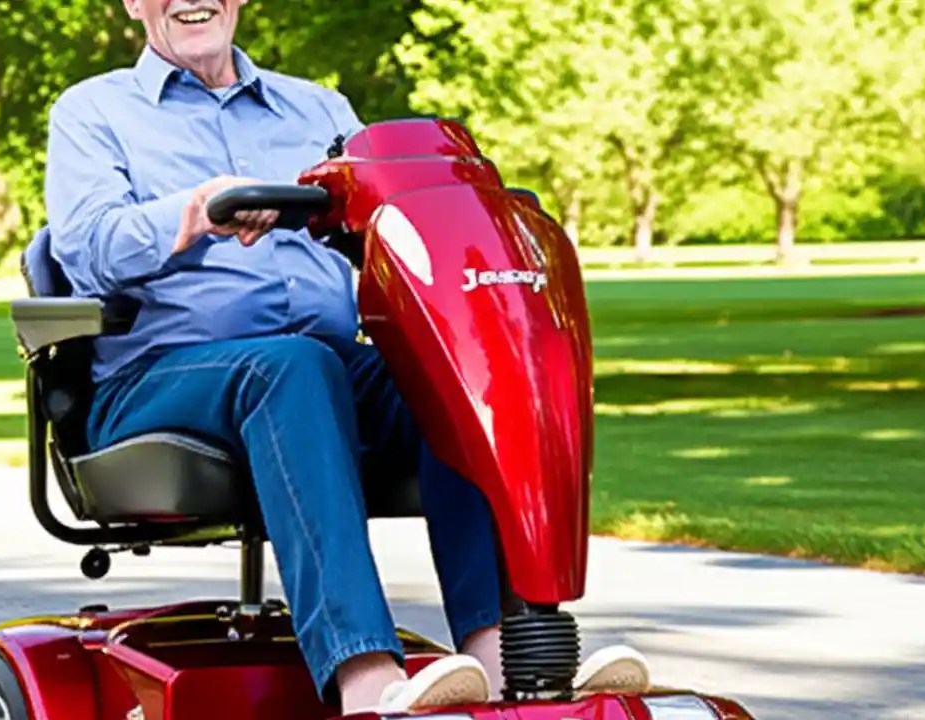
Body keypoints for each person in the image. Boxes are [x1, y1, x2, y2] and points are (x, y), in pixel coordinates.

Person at [44, 0, 651, 713]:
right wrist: (197, 211)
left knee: (455, 374)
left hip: (322, 366)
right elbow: (85, 251)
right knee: (292, 368)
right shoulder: (93, 111)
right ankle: (365, 677)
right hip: (160, 377)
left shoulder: (318, 109)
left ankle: (503, 652)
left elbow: (398, 216)